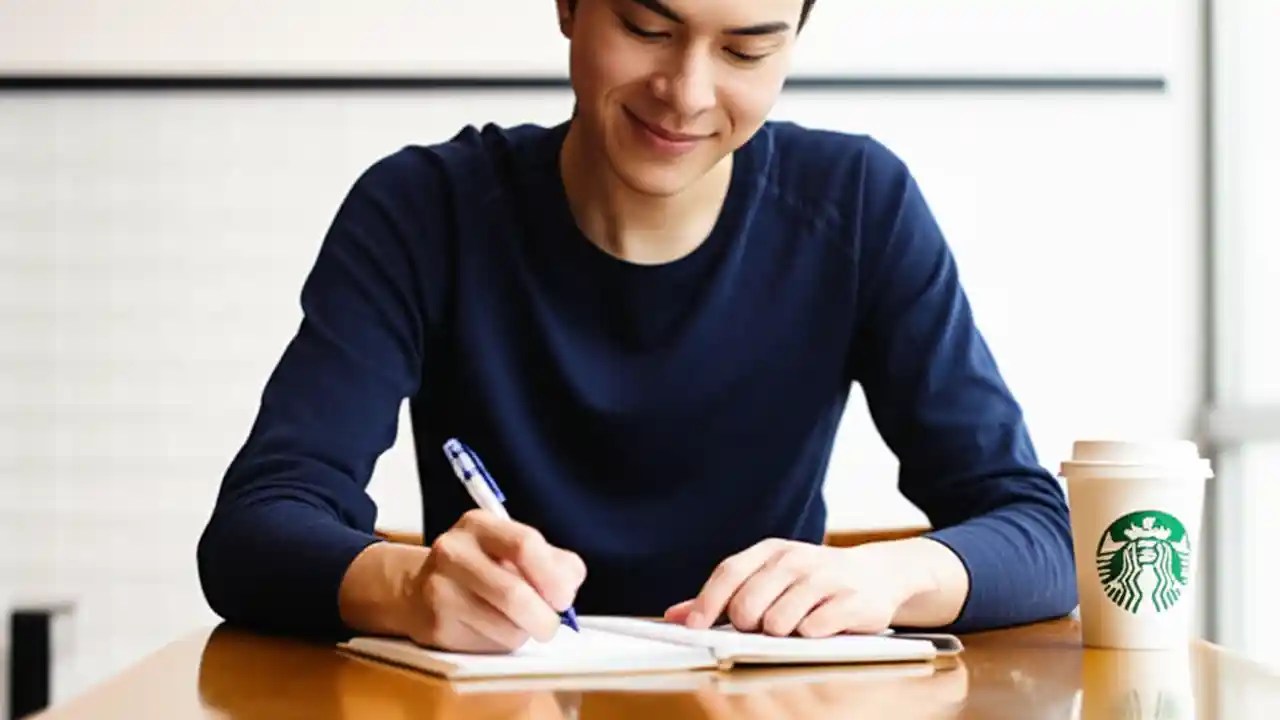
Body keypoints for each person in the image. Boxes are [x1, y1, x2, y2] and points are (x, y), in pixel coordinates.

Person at [197, 0, 1077, 653]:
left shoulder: (857, 206)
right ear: (570, 8)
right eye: (647, 28)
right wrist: (409, 585)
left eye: (746, 48)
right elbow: (255, 529)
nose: (687, 94)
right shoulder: (425, 211)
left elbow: (1038, 533)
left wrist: (886, 575)